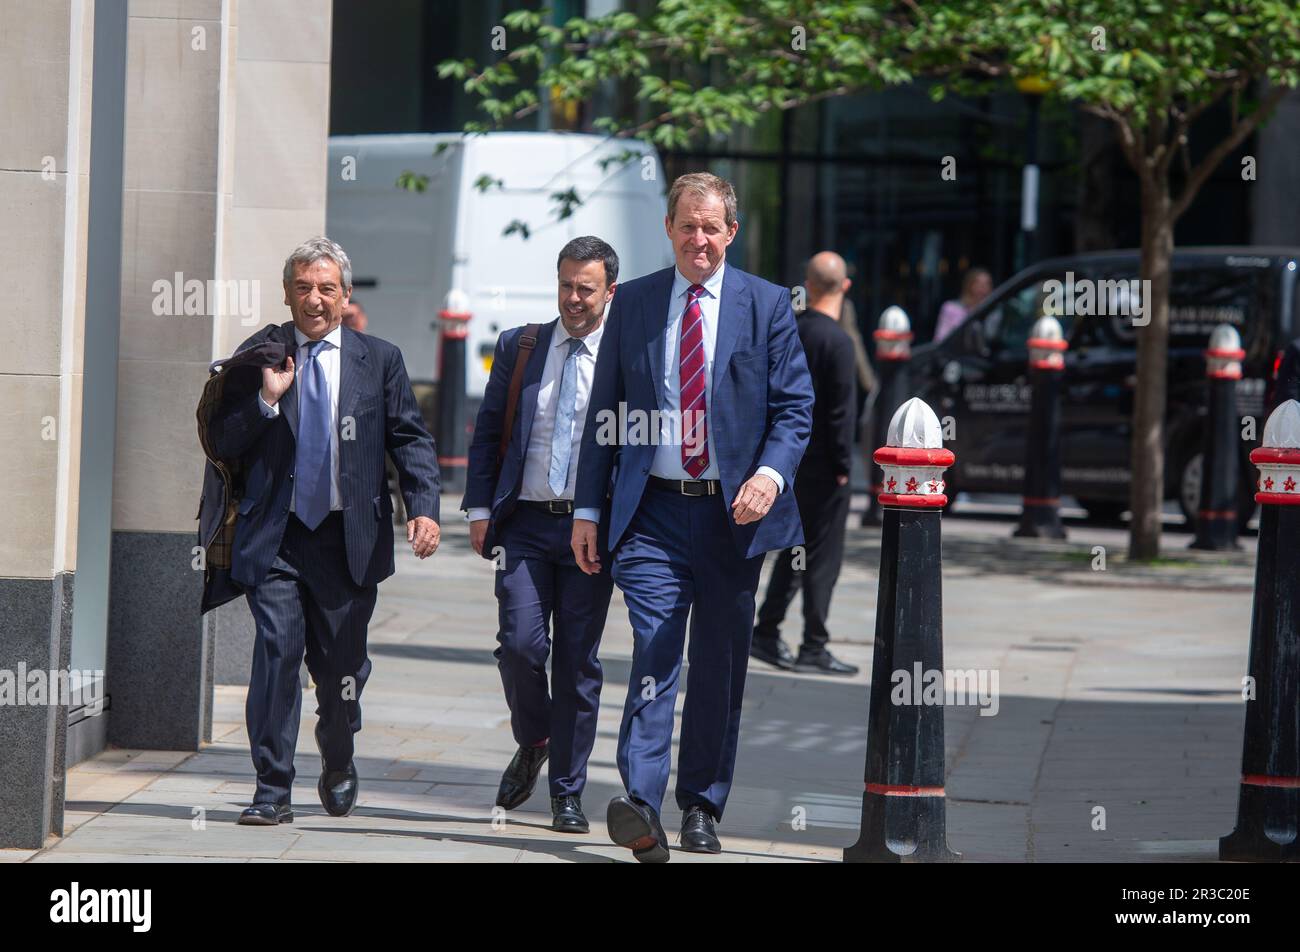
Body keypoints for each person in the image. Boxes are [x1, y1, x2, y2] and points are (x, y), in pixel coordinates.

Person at [571, 172, 814, 862]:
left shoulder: (765, 305)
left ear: (730, 233)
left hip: (733, 520)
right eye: (687, 225)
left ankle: (702, 805)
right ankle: (641, 802)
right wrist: (589, 506)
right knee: (654, 647)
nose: (699, 239)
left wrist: (768, 476)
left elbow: (796, 409)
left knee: (718, 665)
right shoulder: (638, 302)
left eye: (711, 228)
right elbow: (604, 417)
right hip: (650, 515)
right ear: (669, 229)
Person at [207, 237, 442, 826]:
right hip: (277, 537)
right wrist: (265, 399)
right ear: (287, 293)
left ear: (345, 295)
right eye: (303, 288)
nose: (314, 300)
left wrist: (423, 506)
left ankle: (338, 758)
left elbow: (409, 438)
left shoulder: (379, 359)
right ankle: (271, 789)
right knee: (278, 655)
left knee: (340, 672)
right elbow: (223, 439)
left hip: (347, 541)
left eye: (326, 288)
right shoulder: (261, 353)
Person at [461, 237, 619, 834]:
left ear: (609, 291)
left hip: (589, 529)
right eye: (566, 286)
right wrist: (479, 509)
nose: (574, 299)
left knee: (577, 662)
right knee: (522, 645)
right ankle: (534, 739)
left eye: (586, 288)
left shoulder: (622, 355)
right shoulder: (521, 346)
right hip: (525, 522)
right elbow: (485, 433)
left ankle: (568, 794)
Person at [752, 252, 860, 675]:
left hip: (786, 462)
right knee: (822, 558)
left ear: (808, 284)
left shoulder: (791, 329)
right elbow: (841, 416)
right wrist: (843, 465)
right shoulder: (839, 342)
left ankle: (766, 631)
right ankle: (814, 644)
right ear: (844, 287)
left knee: (794, 551)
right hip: (825, 468)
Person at [933, 267, 993, 342]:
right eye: (978, 283)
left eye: (987, 284)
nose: (983, 288)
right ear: (969, 285)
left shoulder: (995, 311)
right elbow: (941, 339)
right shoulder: (951, 308)